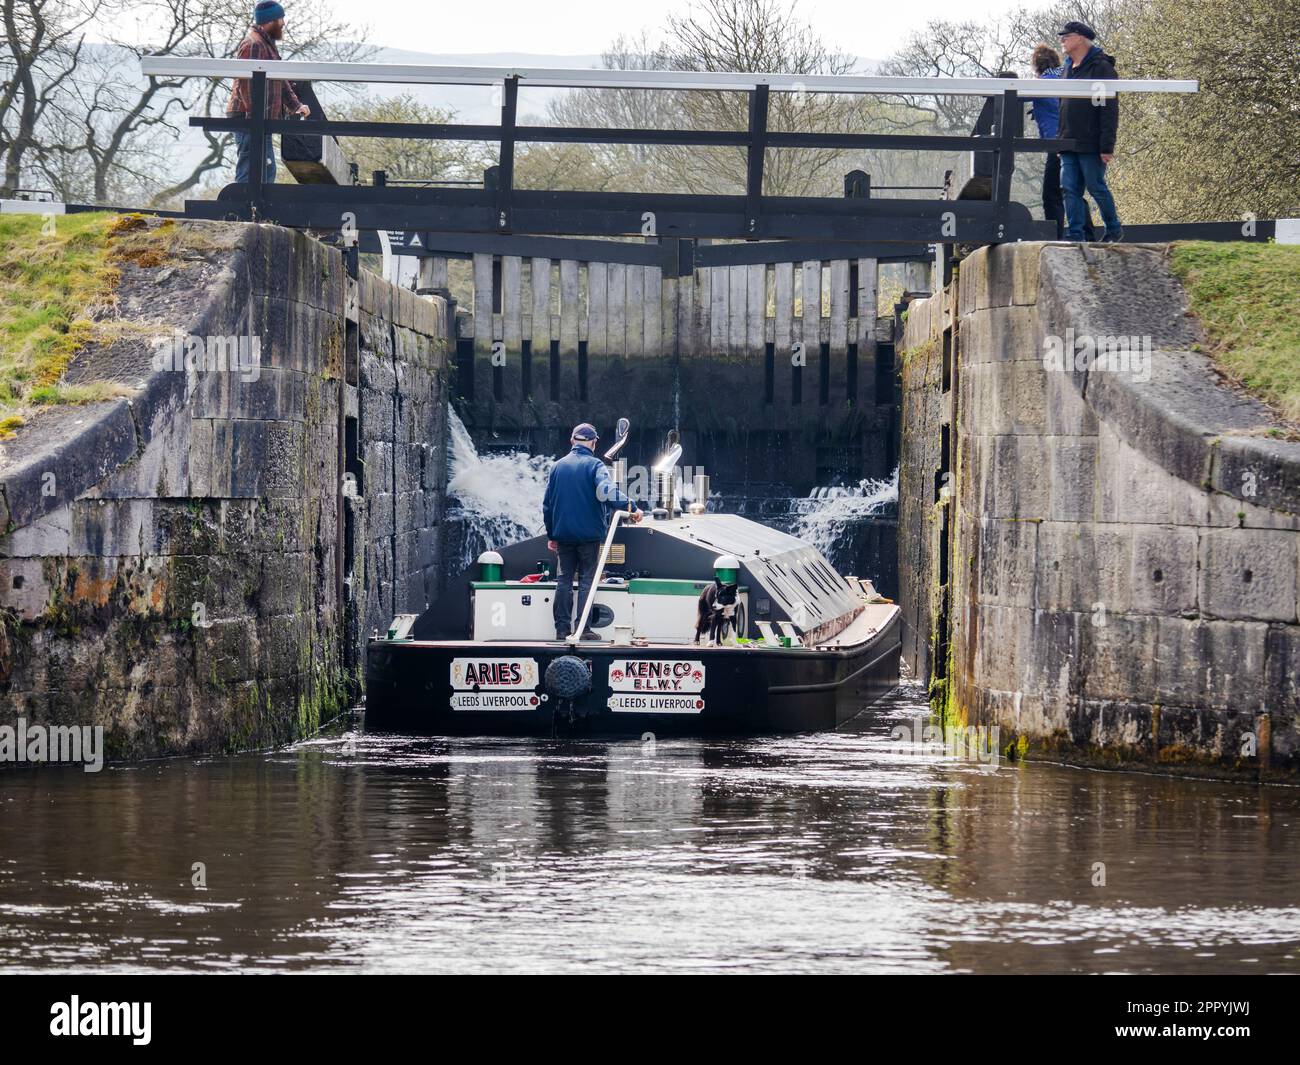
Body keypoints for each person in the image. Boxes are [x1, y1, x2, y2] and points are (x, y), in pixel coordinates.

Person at [542, 423, 644, 641]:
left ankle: (561, 629)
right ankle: (583, 629)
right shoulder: (595, 465)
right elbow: (607, 492)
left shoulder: (557, 467)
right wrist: (632, 508)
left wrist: (552, 535)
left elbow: (548, 505)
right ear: (594, 443)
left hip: (563, 536)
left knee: (564, 580)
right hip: (589, 536)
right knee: (588, 579)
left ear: (572, 441)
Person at [226, 2, 311, 186]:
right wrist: (254, 119)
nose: (283, 23)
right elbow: (246, 84)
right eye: (281, 19)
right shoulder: (254, 45)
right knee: (251, 171)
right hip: (249, 118)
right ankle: (242, 213)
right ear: (270, 21)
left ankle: (255, 213)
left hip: (257, 118)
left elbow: (279, 80)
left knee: (265, 170)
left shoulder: (267, 45)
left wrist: (295, 105)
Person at [1056, 20, 1123, 242]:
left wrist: (1106, 146)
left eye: (1067, 36)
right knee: (1068, 189)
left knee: (1096, 187)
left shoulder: (1101, 68)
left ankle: (1113, 228)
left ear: (1081, 38)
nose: (1062, 40)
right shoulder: (1066, 68)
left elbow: (1108, 110)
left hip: (1091, 142)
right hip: (1068, 141)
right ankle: (1075, 234)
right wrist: (1060, 140)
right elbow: (1062, 106)